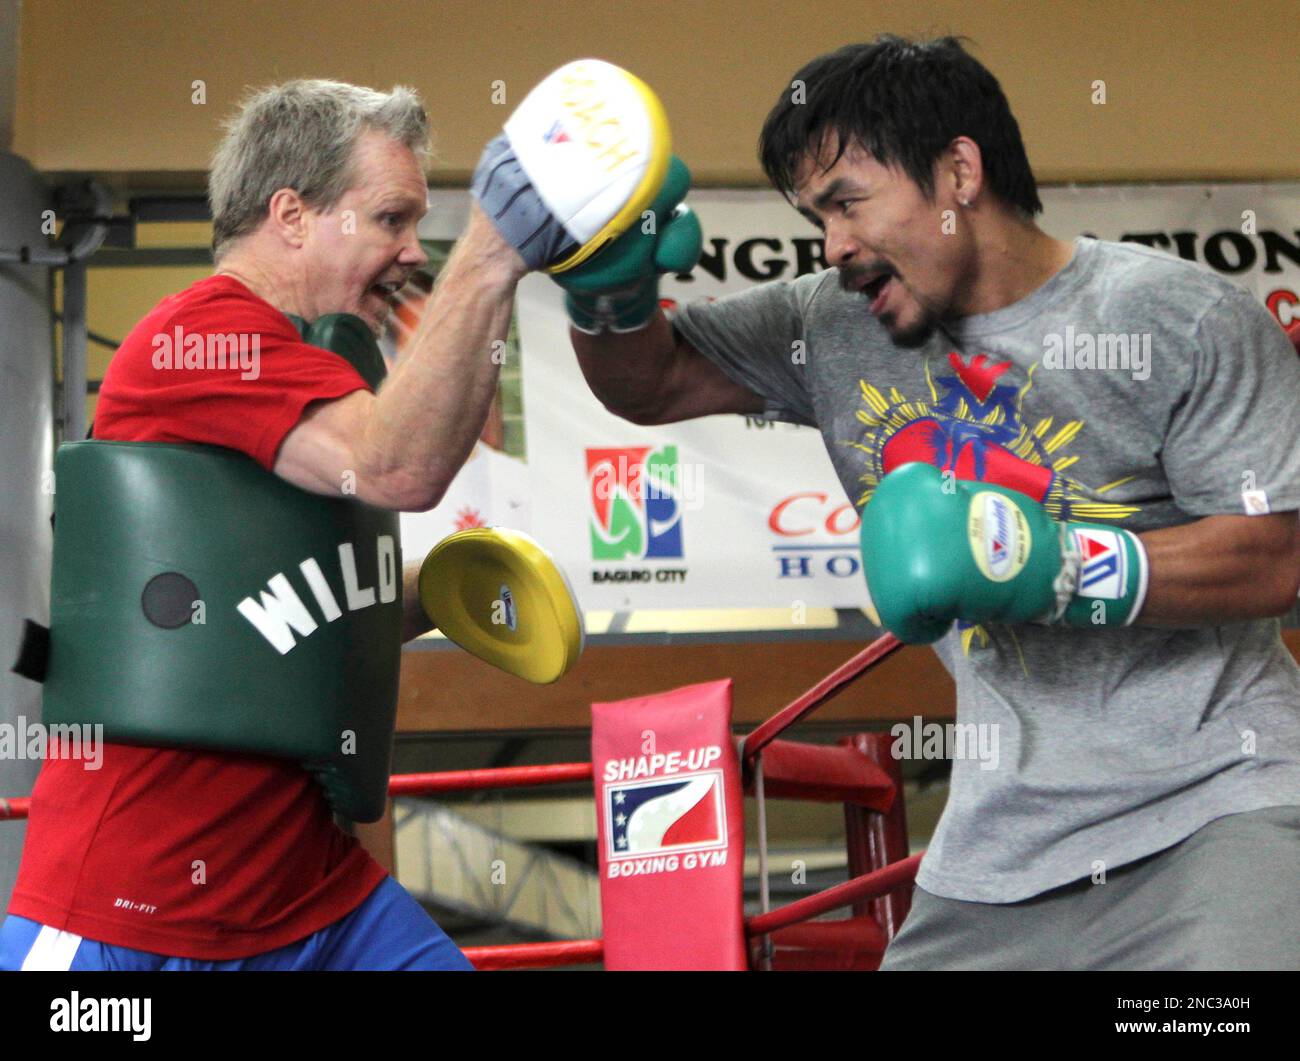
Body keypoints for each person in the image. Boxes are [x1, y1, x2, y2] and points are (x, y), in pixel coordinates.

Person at [558, 36, 1300, 969]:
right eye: (813, 216)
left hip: (1218, 805)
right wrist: (606, 288)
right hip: (1001, 851)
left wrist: (1056, 564)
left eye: (847, 202)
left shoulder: (1175, 319)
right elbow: (650, 385)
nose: (832, 247)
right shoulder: (822, 323)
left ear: (958, 171)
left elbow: (1273, 556)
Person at [1, 62, 663, 970]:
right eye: (391, 218)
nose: (414, 250)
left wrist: (431, 594)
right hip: (131, 905)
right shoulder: (199, 340)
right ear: (291, 216)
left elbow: (269, 619)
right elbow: (397, 463)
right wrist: (494, 244)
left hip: (312, 897)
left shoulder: (314, 375)